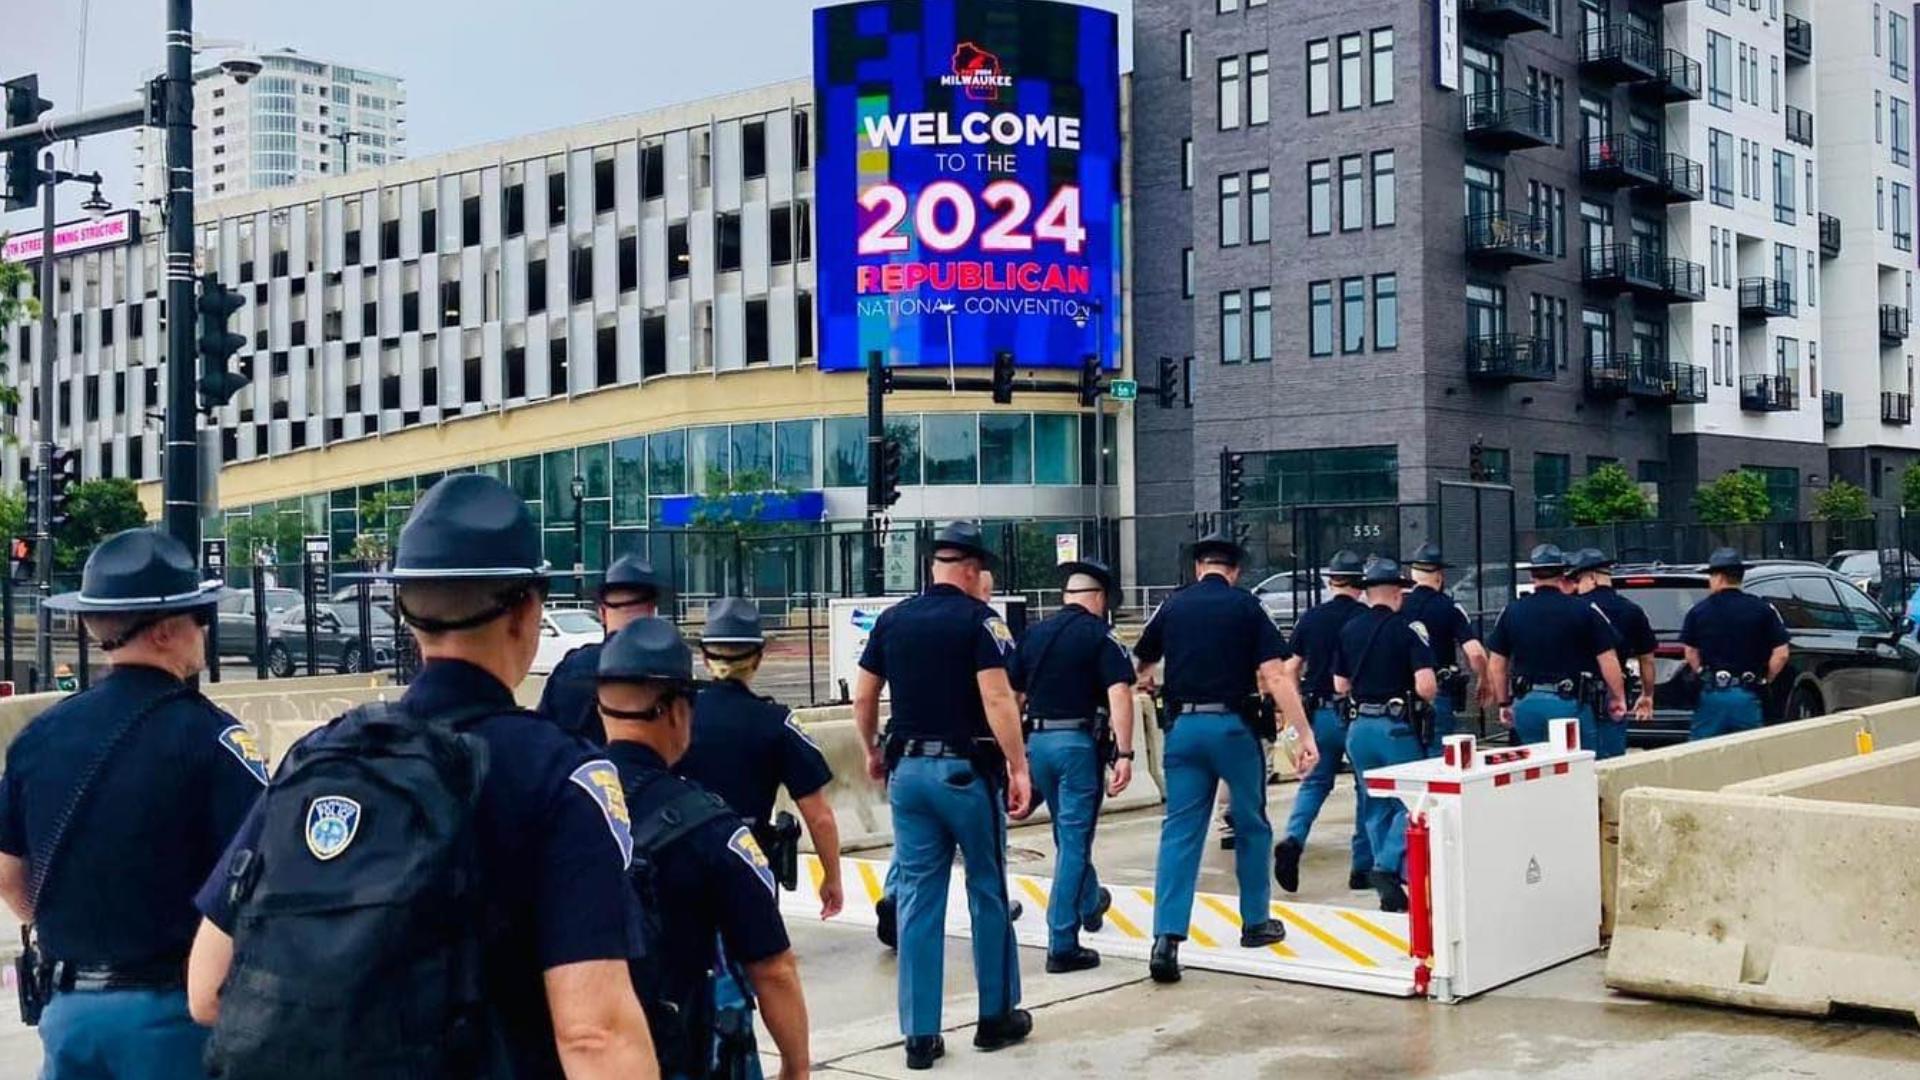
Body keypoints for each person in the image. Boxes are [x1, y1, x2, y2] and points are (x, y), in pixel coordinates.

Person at [187, 474, 656, 1078]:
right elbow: (594, 1034)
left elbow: (207, 988)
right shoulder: (559, 775)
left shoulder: (321, 757)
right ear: (525, 612)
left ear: (406, 613)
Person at [0, 528, 265, 1080]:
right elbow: (261, 877)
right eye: (200, 618)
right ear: (167, 631)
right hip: (171, 1016)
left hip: (67, 1010)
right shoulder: (211, 739)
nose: (205, 631)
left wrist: (64, 929)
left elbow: (6, 873)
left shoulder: (38, 736)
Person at [852, 522, 1033, 1071]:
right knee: (987, 889)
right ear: (974, 572)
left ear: (935, 568)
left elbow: (864, 694)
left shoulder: (893, 619)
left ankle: (920, 1036)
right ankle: (995, 1017)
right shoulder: (982, 621)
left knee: (917, 901)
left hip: (907, 771)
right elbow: (997, 697)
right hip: (966, 772)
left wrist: (870, 751)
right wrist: (1018, 765)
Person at [597, 617, 811, 1080]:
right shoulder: (712, 830)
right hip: (677, 1052)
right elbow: (773, 970)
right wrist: (796, 1066)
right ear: (677, 712)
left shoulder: (561, 803)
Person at [1132, 529, 1318, 985]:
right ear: (1233, 571)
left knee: (1180, 830)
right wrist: (1302, 732)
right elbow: (1275, 676)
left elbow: (1140, 664)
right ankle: (1255, 922)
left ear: (1199, 568)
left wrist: (1150, 682)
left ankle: (1166, 938)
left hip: (1183, 730)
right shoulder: (1247, 607)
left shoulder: (1171, 605)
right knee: (1251, 822)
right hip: (1233, 729)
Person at [677, 597, 840, 1080]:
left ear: (705, 655)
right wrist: (832, 876)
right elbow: (821, 816)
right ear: (760, 656)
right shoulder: (775, 723)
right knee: (760, 977)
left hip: (677, 867)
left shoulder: (679, 715)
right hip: (745, 868)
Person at [1007, 557, 1137, 973]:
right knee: (1076, 841)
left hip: (1037, 745)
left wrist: (1015, 759)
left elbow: (1013, 698)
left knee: (1067, 835)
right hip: (1077, 748)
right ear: (1097, 598)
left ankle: (1089, 900)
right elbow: (1120, 693)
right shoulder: (1101, 636)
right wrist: (1126, 752)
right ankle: (1062, 941)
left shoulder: (1033, 635)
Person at [1333, 557, 1439, 913]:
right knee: (1410, 800)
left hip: (1359, 727)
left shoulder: (1349, 630)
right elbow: (1426, 686)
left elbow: (1340, 683)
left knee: (1374, 804)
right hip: (1395, 728)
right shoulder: (1407, 629)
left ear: (1367, 593)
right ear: (1398, 593)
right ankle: (1386, 867)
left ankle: (1389, 885)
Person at [1274, 549, 1373, 896]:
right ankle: (1363, 867)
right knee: (1366, 788)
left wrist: (1293, 716)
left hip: (1319, 715)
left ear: (1331, 582)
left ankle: (1293, 838)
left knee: (1314, 783)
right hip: (1358, 713)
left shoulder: (1312, 618)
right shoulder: (1366, 619)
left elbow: (1289, 669)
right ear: (1361, 585)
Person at [1485, 544, 1627, 750]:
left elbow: (1497, 663)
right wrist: (1617, 697)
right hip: (1569, 704)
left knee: (1534, 767)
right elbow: (1608, 659)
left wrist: (1504, 703)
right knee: (1578, 766)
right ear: (1562, 574)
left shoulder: (1511, 611)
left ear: (1532, 575)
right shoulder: (1584, 609)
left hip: (1526, 703)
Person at [537, 552, 666, 744]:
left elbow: (544, 735)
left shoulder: (571, 667)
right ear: (651, 611)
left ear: (603, 613)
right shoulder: (668, 671)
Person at [1680, 548, 1791, 741]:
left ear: (1719, 577)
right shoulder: (1762, 609)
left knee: (1702, 753)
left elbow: (1690, 651)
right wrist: (1765, 679)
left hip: (1712, 693)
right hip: (1747, 693)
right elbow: (1781, 653)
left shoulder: (1699, 611)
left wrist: (1701, 673)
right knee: (1749, 751)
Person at [1401, 542, 1491, 757]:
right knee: (1438, 758)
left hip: (1403, 694)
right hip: (1438, 692)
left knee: (1407, 760)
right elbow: (1476, 652)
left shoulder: (1399, 606)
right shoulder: (1449, 607)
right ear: (1439, 576)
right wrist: (1484, 680)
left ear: (1412, 574)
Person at [1572, 548, 1657, 759]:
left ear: (1591, 577)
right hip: (1613, 693)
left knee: (1580, 758)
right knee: (1612, 758)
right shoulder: (1632, 610)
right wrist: (1647, 695)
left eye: (1577, 579)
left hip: (1575, 694)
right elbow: (1647, 659)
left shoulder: (1577, 609)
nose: (1575, 586)